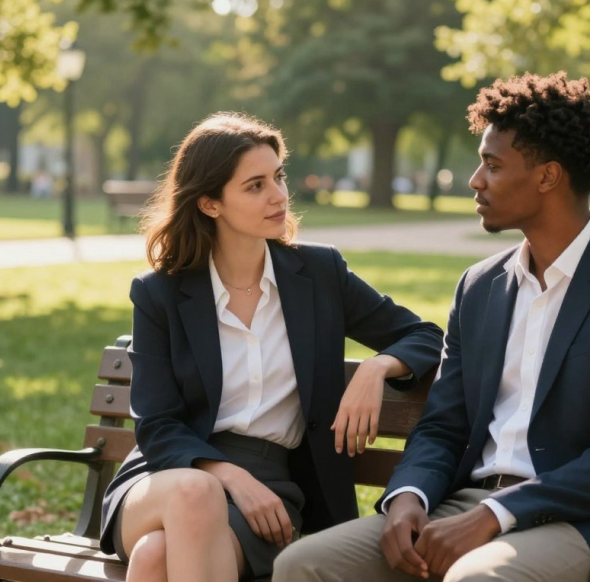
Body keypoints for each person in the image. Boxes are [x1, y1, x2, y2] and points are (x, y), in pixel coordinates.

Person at [273, 72, 590, 582]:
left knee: (476, 579)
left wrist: (494, 516)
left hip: (585, 524)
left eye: (492, 166)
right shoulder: (480, 286)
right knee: (303, 565)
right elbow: (444, 425)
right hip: (462, 505)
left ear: (547, 177)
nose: (475, 179)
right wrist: (409, 497)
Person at [98, 112, 443, 582]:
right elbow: (157, 425)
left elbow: (424, 334)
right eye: (255, 185)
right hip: (164, 479)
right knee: (195, 495)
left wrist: (374, 369)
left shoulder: (319, 275)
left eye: (278, 177)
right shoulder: (161, 294)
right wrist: (231, 477)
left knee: (156, 558)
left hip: (271, 490)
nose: (279, 195)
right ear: (210, 203)